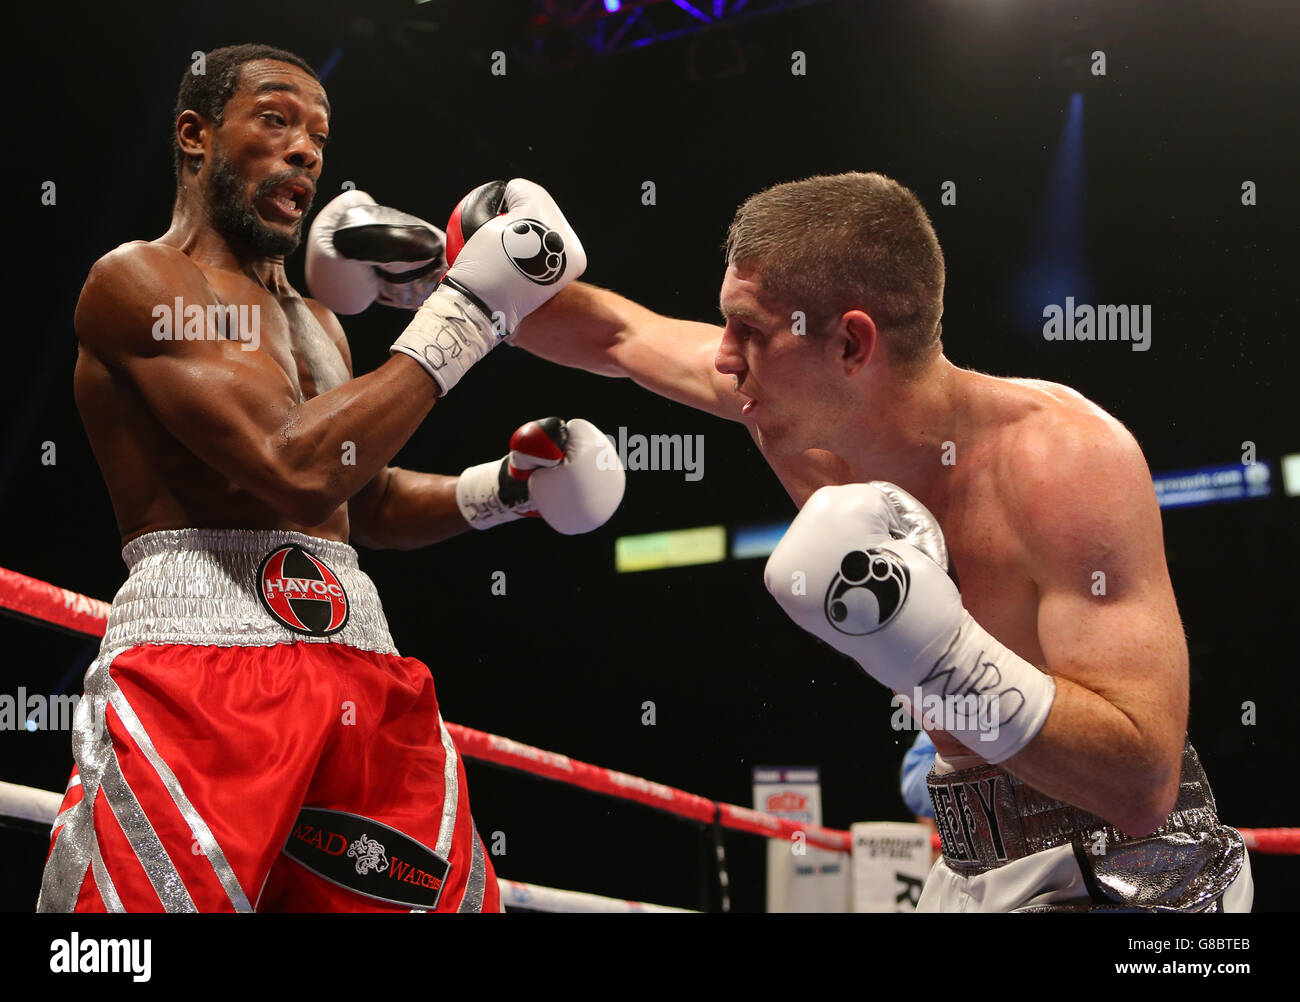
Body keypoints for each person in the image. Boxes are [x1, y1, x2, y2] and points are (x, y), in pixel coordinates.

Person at [505, 171, 1251, 912]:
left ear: (852, 345)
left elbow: (1143, 786)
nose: (725, 357)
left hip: (1126, 875)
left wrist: (940, 657)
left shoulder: (1065, 462)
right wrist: (456, 285)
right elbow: (616, 331)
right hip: (967, 865)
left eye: (751, 331)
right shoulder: (791, 408)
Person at [37, 44, 621, 913]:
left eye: (318, 132)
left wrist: (505, 488)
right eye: (275, 119)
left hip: (362, 660)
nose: (306, 149)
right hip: (202, 659)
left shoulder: (318, 322)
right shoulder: (139, 281)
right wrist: (469, 312)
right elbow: (292, 467)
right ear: (195, 135)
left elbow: (365, 497)